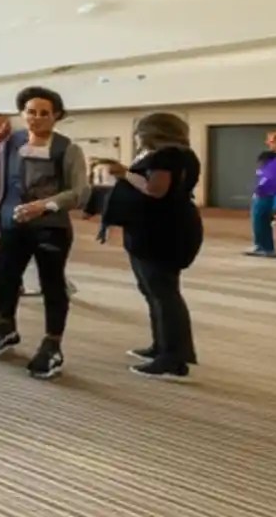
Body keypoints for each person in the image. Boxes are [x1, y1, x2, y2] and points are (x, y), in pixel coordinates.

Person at [0, 86, 90, 379]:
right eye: (31, 112)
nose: (37, 118)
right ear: (21, 114)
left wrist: (44, 205)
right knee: (4, 277)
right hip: (11, 225)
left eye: (44, 113)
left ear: (56, 116)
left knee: (52, 284)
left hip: (50, 228)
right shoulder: (9, 144)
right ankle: (6, 327)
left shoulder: (68, 149)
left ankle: (52, 344)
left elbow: (80, 192)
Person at [92, 113, 202, 381]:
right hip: (156, 229)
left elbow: (156, 190)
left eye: (140, 131)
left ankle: (173, 358)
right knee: (153, 290)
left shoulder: (168, 155)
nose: (137, 136)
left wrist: (124, 173)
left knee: (163, 292)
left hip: (163, 232)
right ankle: (161, 346)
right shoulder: (174, 154)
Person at [246, 130, 276, 257]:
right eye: (270, 141)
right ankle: (263, 247)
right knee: (259, 219)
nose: (271, 144)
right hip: (263, 193)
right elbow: (262, 174)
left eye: (274, 141)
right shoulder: (266, 156)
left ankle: (269, 248)